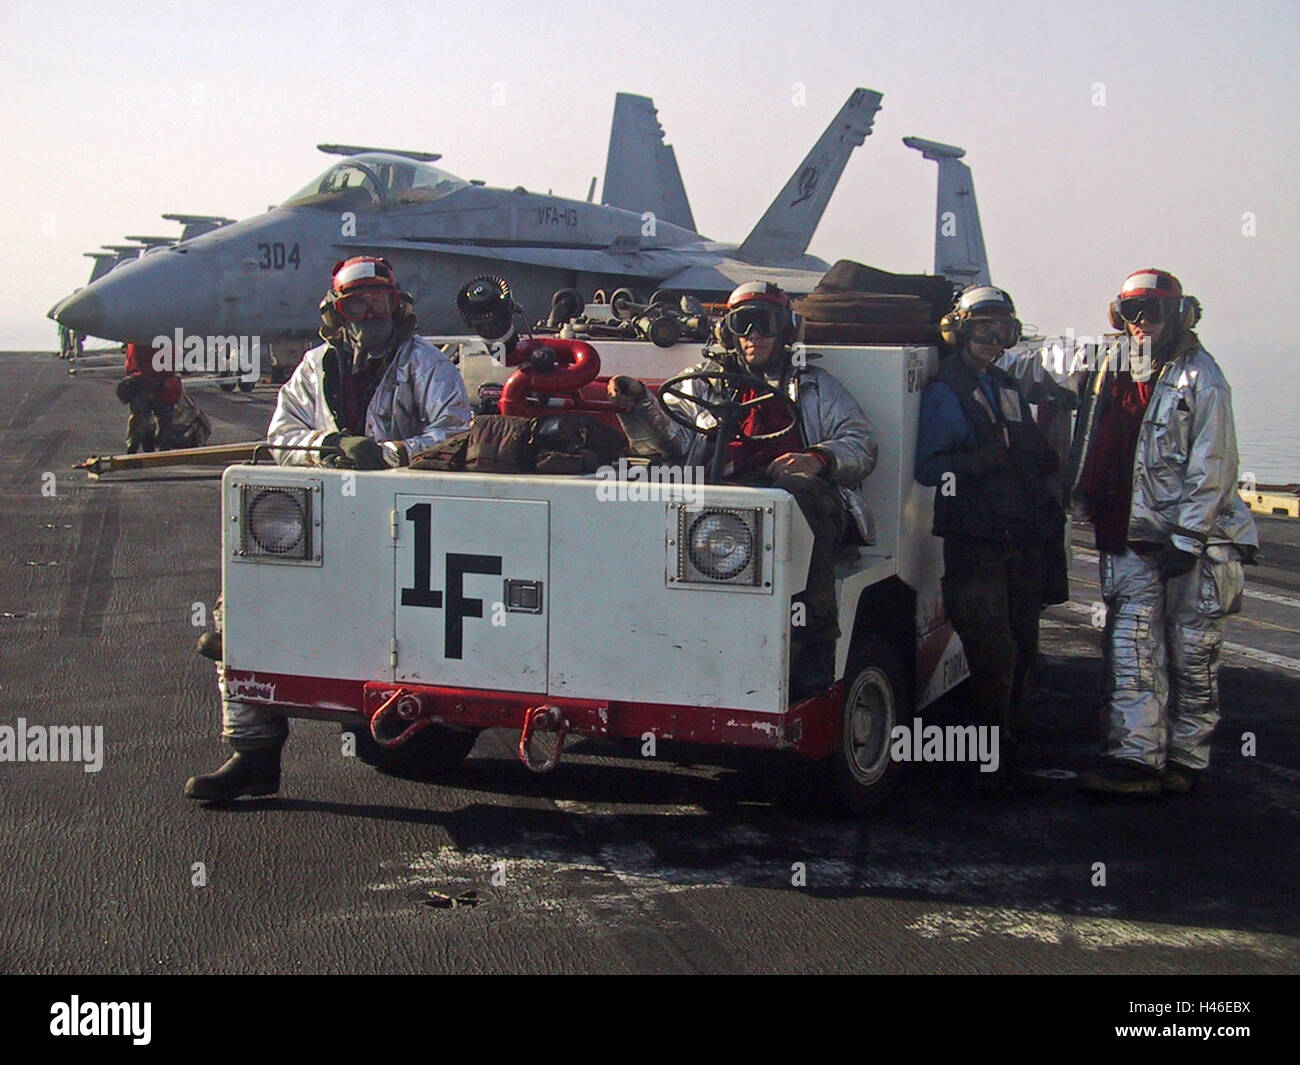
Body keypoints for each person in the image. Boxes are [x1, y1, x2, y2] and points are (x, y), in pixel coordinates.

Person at [184, 256, 472, 801]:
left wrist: (389, 454)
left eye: (378, 300)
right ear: (336, 311)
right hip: (322, 519)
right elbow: (281, 434)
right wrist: (326, 446)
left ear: (396, 303)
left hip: (404, 521)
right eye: (355, 304)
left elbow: (456, 429)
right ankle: (254, 757)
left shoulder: (426, 363)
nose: (368, 313)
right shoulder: (314, 367)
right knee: (240, 616)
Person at [608, 281, 877, 700]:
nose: (754, 335)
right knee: (636, 487)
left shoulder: (817, 386)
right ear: (729, 331)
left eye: (765, 324)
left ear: (786, 330)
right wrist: (641, 404)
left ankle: (811, 649)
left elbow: (860, 444)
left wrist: (818, 459)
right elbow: (674, 444)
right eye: (743, 323)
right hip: (722, 498)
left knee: (796, 495)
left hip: (801, 499)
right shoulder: (701, 385)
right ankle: (638, 639)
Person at [1073, 269, 1257, 796]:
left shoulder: (1204, 378)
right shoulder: (1112, 366)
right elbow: (1047, 366)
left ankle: (1185, 760)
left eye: (1151, 311)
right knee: (1131, 650)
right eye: (1131, 312)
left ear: (1178, 315)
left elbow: (1214, 465)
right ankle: (1136, 760)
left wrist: (1187, 537)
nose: (1140, 323)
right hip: (1130, 538)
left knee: (1192, 654)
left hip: (1195, 546)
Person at [915, 285, 1060, 792]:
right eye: (982, 327)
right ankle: (985, 764)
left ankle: (1009, 753)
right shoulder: (946, 391)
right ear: (959, 330)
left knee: (1024, 647)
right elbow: (930, 469)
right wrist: (978, 463)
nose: (992, 338)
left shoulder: (1006, 385)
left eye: (1001, 329)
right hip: (974, 542)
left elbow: (1029, 455)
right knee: (993, 653)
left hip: (1018, 540)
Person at [117, 340, 182, 453]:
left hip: (152, 380)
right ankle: (157, 447)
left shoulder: (138, 335)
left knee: (144, 417)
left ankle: (136, 446)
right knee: (159, 418)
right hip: (153, 380)